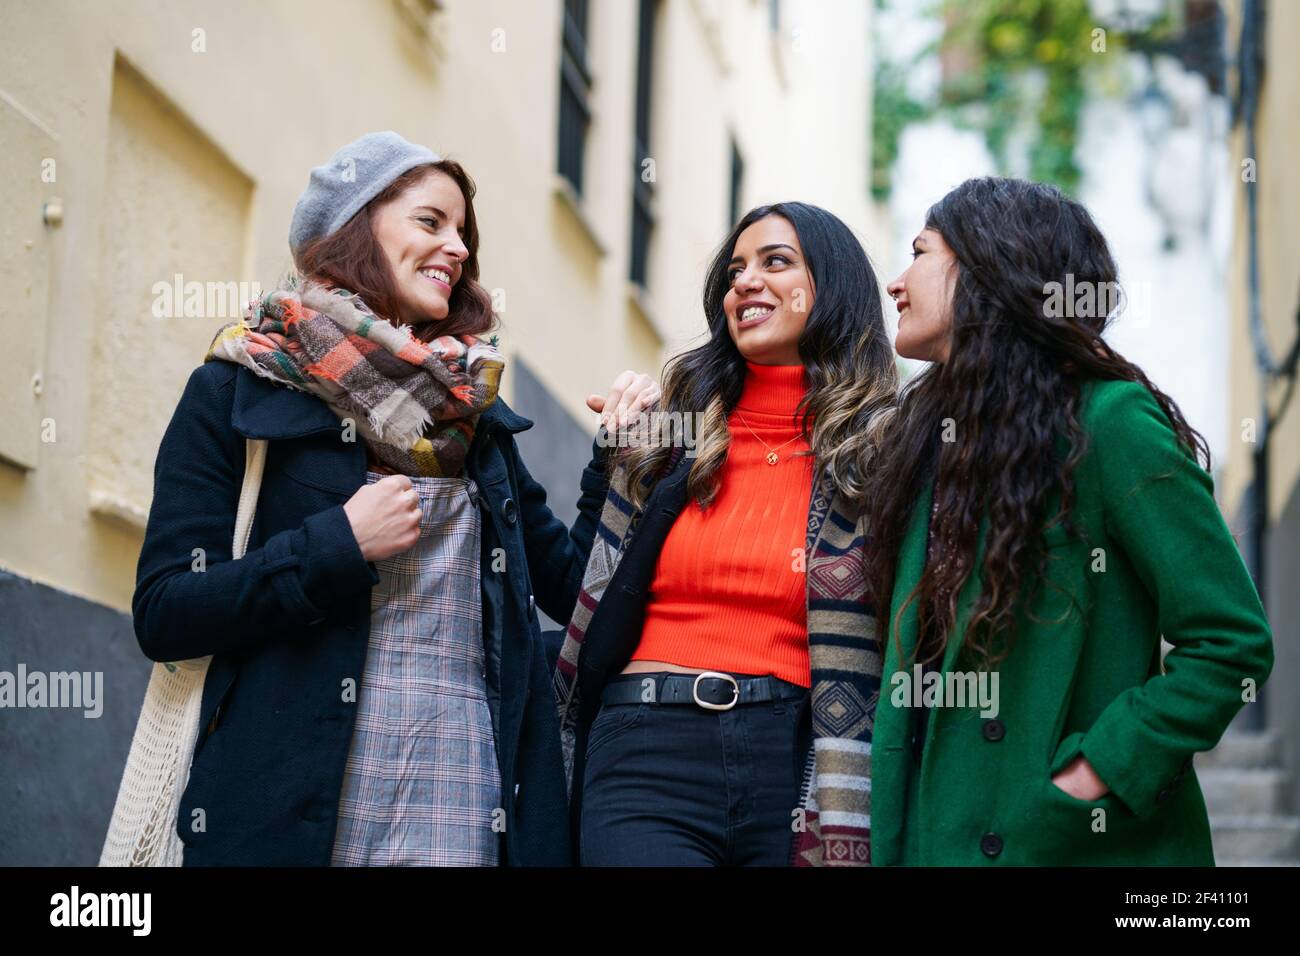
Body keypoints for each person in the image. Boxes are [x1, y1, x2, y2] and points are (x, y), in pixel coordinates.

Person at [132, 131, 658, 866]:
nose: (459, 248)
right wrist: (334, 547)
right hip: (288, 810)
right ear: (354, 228)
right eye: (430, 221)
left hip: (462, 808)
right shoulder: (234, 392)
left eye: (463, 233)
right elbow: (165, 612)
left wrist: (618, 462)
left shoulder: (475, 423)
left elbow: (576, 597)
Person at [867, 176, 1274, 865]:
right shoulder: (929, 445)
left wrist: (1091, 777)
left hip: (1067, 846)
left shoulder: (1111, 424)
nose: (896, 282)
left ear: (988, 265)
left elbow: (1230, 641)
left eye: (920, 252)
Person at [553, 202, 898, 866]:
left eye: (776, 262)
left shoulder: (881, 458)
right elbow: (576, 593)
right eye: (735, 269)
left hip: (798, 763)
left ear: (833, 287)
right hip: (646, 753)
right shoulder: (670, 440)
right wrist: (606, 460)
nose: (745, 282)